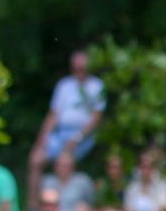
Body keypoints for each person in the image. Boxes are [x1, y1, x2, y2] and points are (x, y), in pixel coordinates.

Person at [29, 48, 107, 196]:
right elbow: (53, 115)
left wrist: (77, 137)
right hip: (61, 133)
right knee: (36, 158)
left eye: (82, 68)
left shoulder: (97, 86)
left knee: (64, 160)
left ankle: (63, 202)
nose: (79, 72)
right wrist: (42, 138)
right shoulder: (64, 85)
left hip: (84, 135)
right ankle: (33, 204)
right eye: (75, 68)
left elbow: (97, 118)